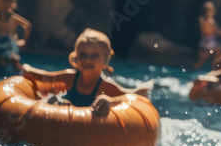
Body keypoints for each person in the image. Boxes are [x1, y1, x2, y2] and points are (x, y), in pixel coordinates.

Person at [21, 29, 151, 117]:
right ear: (76, 58)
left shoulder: (106, 86)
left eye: (94, 55)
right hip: (62, 116)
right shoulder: (70, 77)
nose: (88, 59)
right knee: (53, 100)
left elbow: (132, 96)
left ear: (105, 60)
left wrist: (110, 100)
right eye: (83, 55)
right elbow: (46, 76)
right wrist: (28, 69)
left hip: (86, 125)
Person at [194, 1, 221, 69]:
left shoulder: (201, 19)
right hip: (209, 42)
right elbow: (216, 32)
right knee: (218, 49)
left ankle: (213, 64)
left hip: (204, 41)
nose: (212, 12)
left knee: (202, 59)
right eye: (210, 11)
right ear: (207, 11)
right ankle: (215, 65)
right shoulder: (210, 20)